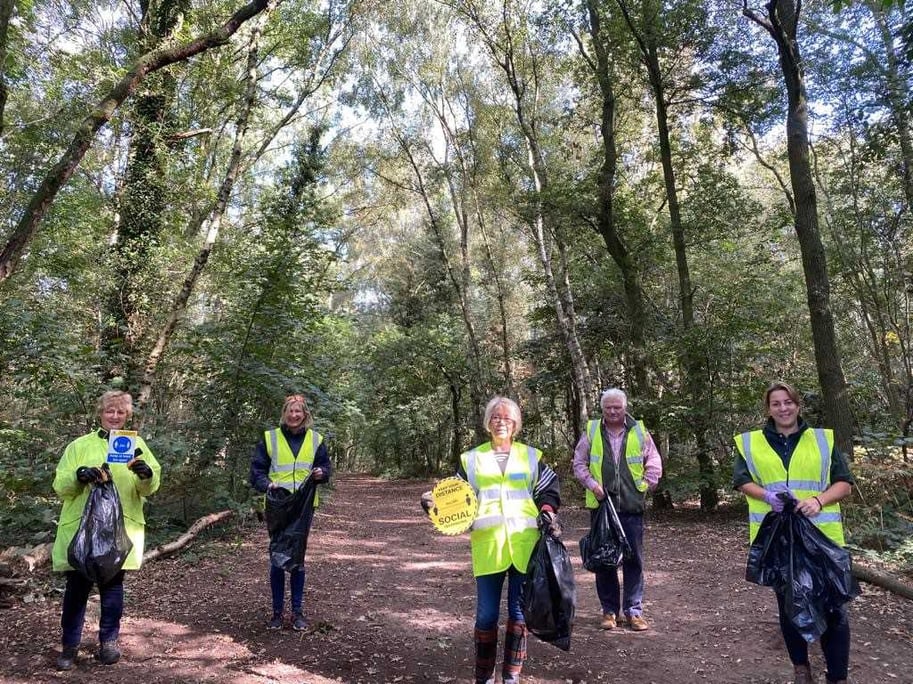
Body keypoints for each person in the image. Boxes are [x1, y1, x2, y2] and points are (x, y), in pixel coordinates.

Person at [421, 396, 560, 684]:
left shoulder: (531, 456)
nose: (501, 422)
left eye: (507, 418)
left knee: (519, 614)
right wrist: (432, 503)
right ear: (488, 422)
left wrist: (547, 510)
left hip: (525, 544)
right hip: (488, 545)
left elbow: (548, 489)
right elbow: (454, 498)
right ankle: (484, 677)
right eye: (496, 417)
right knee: (486, 616)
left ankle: (511, 677)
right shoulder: (472, 459)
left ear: (516, 424)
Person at [733, 381, 854, 684]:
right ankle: (801, 668)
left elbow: (844, 483)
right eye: (776, 403)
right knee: (789, 607)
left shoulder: (822, 440)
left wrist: (819, 500)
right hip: (778, 539)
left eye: (788, 402)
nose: (783, 408)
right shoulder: (751, 443)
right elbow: (742, 480)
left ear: (798, 405)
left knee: (834, 608)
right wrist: (765, 496)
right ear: (768, 409)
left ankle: (837, 676)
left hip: (822, 539)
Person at [51, 390, 161, 670]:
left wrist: (146, 475)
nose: (114, 416)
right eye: (109, 411)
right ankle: (70, 646)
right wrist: (78, 477)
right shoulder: (79, 446)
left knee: (112, 589)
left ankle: (109, 642)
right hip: (82, 534)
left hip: (118, 533)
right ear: (100, 413)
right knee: (76, 589)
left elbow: (149, 486)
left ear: (128, 415)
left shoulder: (136, 445)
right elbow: (61, 485)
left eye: (120, 412)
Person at [572, 388, 662, 632]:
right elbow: (579, 463)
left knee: (635, 560)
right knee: (605, 561)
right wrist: (593, 485)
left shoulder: (639, 431)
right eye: (608, 407)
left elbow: (653, 461)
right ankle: (610, 611)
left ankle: (634, 611)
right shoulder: (592, 431)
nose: (612, 412)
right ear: (602, 409)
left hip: (631, 508)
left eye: (617, 407)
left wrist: (644, 485)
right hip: (602, 508)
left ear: (625, 407)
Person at [249, 393, 330, 631]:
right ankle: (276, 613)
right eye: (290, 411)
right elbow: (256, 471)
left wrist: (321, 474)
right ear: (284, 413)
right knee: (277, 557)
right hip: (277, 504)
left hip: (304, 507)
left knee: (297, 559)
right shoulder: (270, 438)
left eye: (298, 411)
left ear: (305, 414)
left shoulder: (316, 440)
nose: (294, 415)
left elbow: (326, 467)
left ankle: (297, 613)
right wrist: (267, 485)